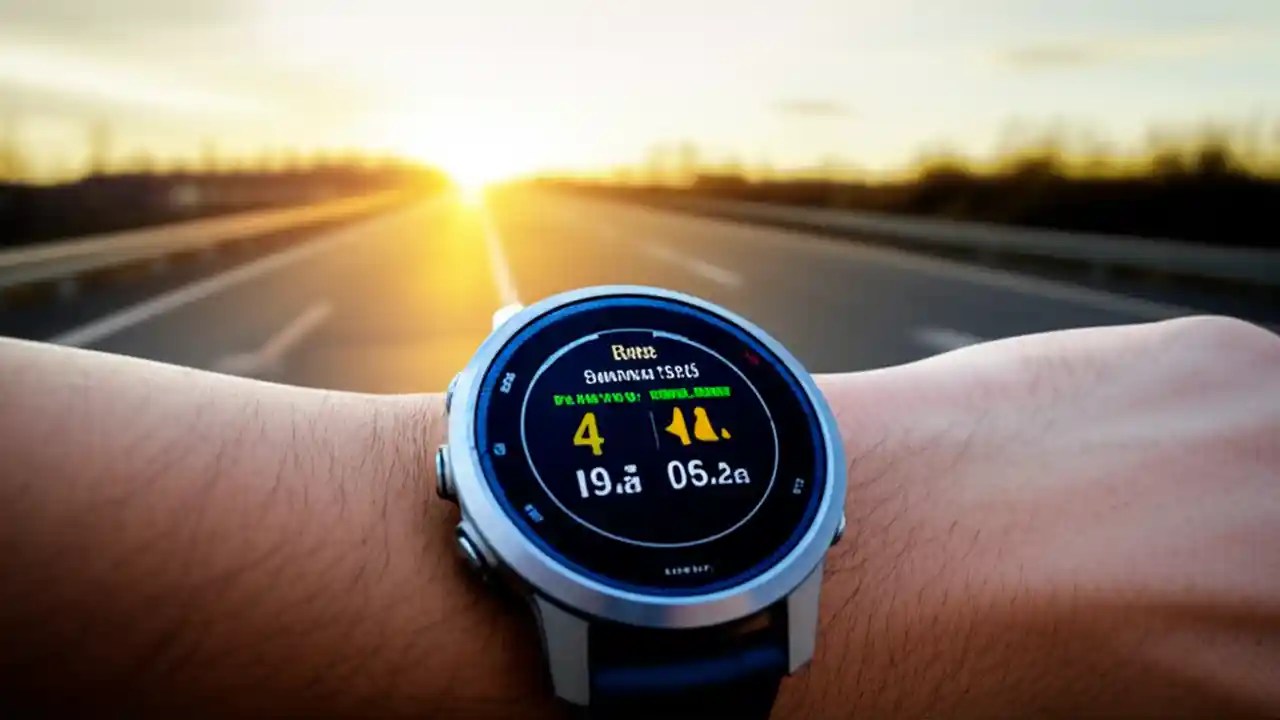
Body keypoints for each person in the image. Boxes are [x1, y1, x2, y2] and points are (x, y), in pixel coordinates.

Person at [0, 315, 1276, 718]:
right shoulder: (469, 481)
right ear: (462, 482)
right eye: (608, 432)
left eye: (691, 420)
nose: (661, 429)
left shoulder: (791, 519)